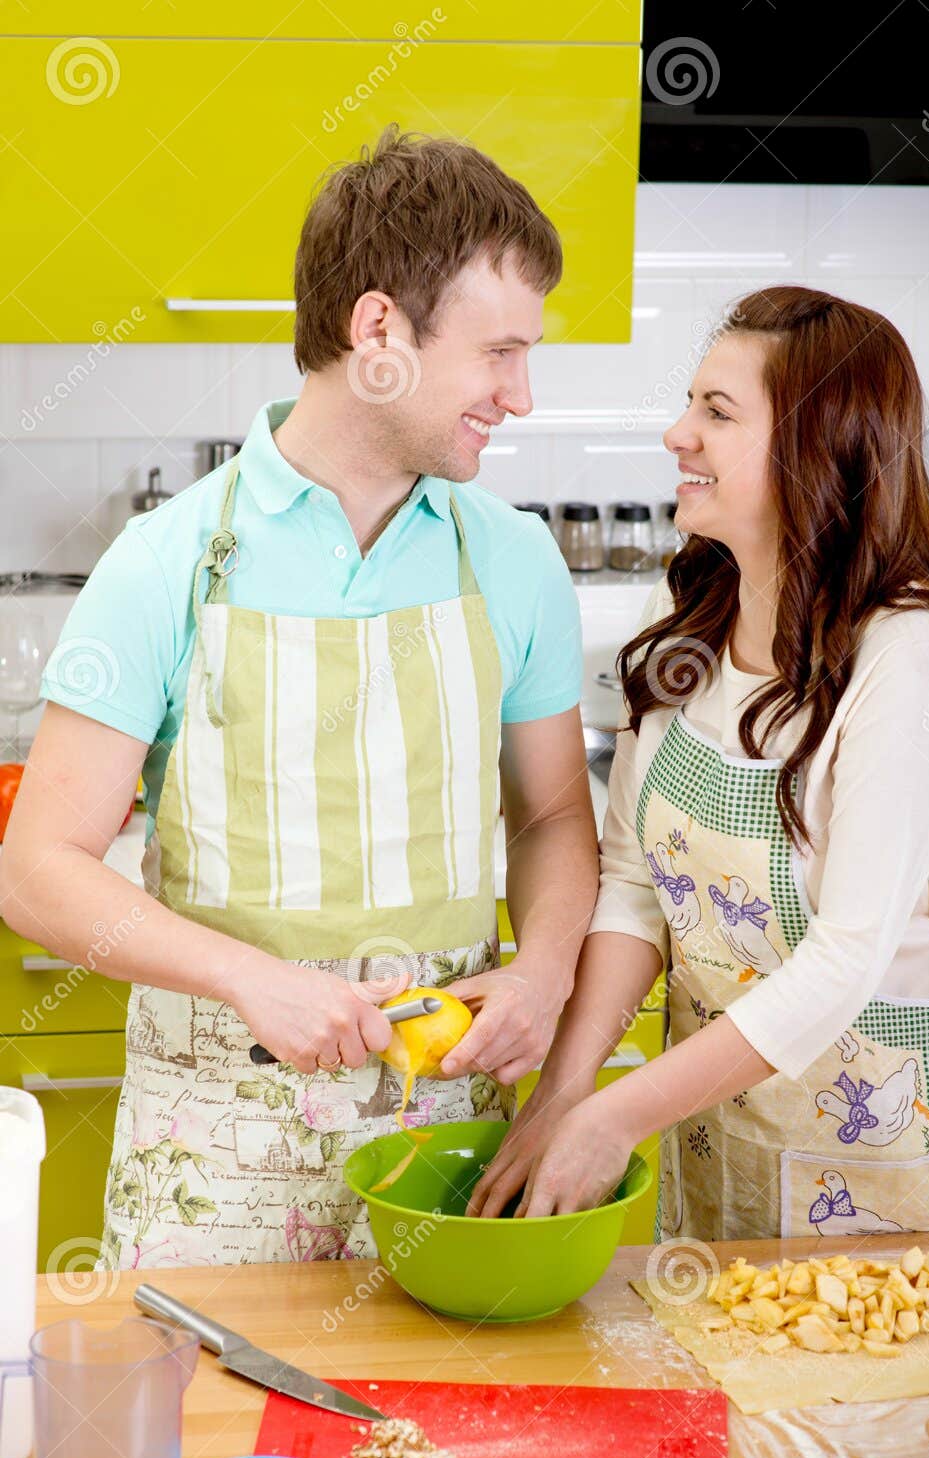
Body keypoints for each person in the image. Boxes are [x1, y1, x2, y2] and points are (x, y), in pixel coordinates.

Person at [0, 127, 598, 1268]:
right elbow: (35, 870)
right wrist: (249, 979)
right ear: (379, 333)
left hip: (444, 1151)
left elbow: (556, 816)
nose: (520, 396)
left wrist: (545, 968)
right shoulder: (167, 561)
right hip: (211, 1171)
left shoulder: (513, 559)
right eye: (499, 353)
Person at [469, 285, 929, 1241]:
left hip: (906, 1144)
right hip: (723, 1129)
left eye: (717, 412)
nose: (677, 435)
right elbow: (632, 888)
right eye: (689, 404)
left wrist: (614, 1116)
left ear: (816, 447)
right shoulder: (689, 629)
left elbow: (846, 958)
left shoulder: (907, 652)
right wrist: (562, 1093)